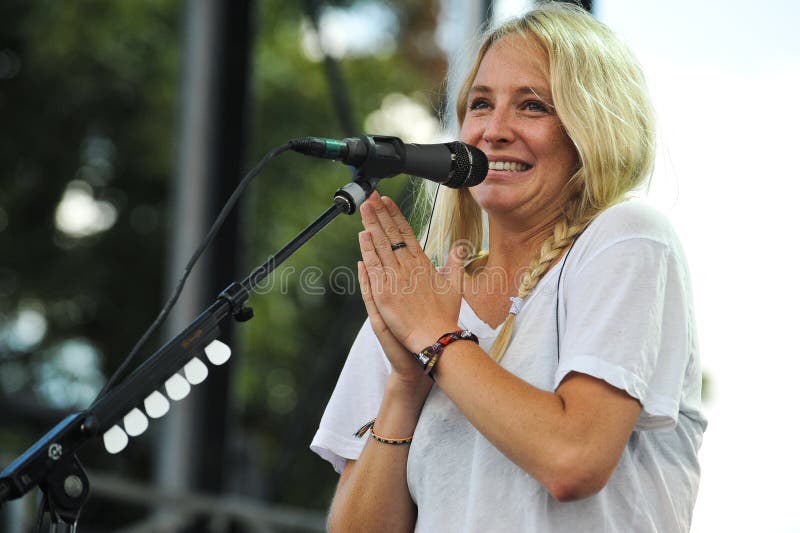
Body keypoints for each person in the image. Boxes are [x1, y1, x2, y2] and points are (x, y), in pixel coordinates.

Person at [311, 2, 707, 531]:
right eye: (479, 104)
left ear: (592, 129)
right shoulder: (420, 296)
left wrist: (437, 339)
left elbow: (573, 461)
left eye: (533, 106)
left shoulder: (629, 239)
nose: (493, 130)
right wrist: (406, 386)